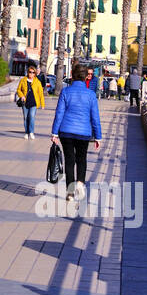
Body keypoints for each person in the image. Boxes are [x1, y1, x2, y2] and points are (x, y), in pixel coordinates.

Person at [51, 60, 102, 199]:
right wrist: (98, 137)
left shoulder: (65, 91)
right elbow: (95, 118)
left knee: (69, 160)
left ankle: (70, 192)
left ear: (72, 75)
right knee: (81, 158)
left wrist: (54, 132)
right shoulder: (91, 95)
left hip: (66, 131)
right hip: (84, 133)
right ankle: (80, 182)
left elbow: (59, 113)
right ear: (86, 77)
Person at [15, 62, 45, 138]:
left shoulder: (37, 82)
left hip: (34, 102)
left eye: (33, 72)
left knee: (31, 116)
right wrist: (21, 96)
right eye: (30, 72)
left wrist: (43, 104)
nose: (31, 74)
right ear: (28, 72)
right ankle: (26, 132)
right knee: (25, 118)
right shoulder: (23, 80)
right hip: (25, 102)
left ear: (35, 73)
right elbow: (18, 90)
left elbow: (41, 93)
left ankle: (31, 132)